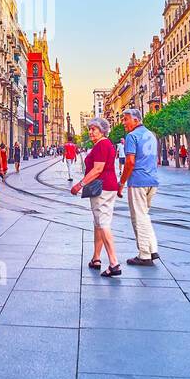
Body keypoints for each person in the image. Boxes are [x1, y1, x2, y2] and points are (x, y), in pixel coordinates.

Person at [73, 117, 121, 277]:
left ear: (102, 130)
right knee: (98, 223)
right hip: (105, 187)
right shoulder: (104, 144)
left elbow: (98, 169)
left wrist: (79, 185)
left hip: (102, 188)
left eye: (94, 129)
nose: (90, 132)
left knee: (104, 223)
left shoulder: (101, 145)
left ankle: (114, 263)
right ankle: (96, 258)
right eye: (90, 129)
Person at [120, 107, 161, 265]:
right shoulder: (151, 135)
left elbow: (130, 162)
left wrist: (121, 182)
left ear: (136, 120)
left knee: (138, 217)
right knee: (144, 214)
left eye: (126, 119)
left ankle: (144, 254)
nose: (124, 123)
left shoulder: (132, 136)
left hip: (138, 181)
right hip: (153, 180)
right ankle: (153, 249)